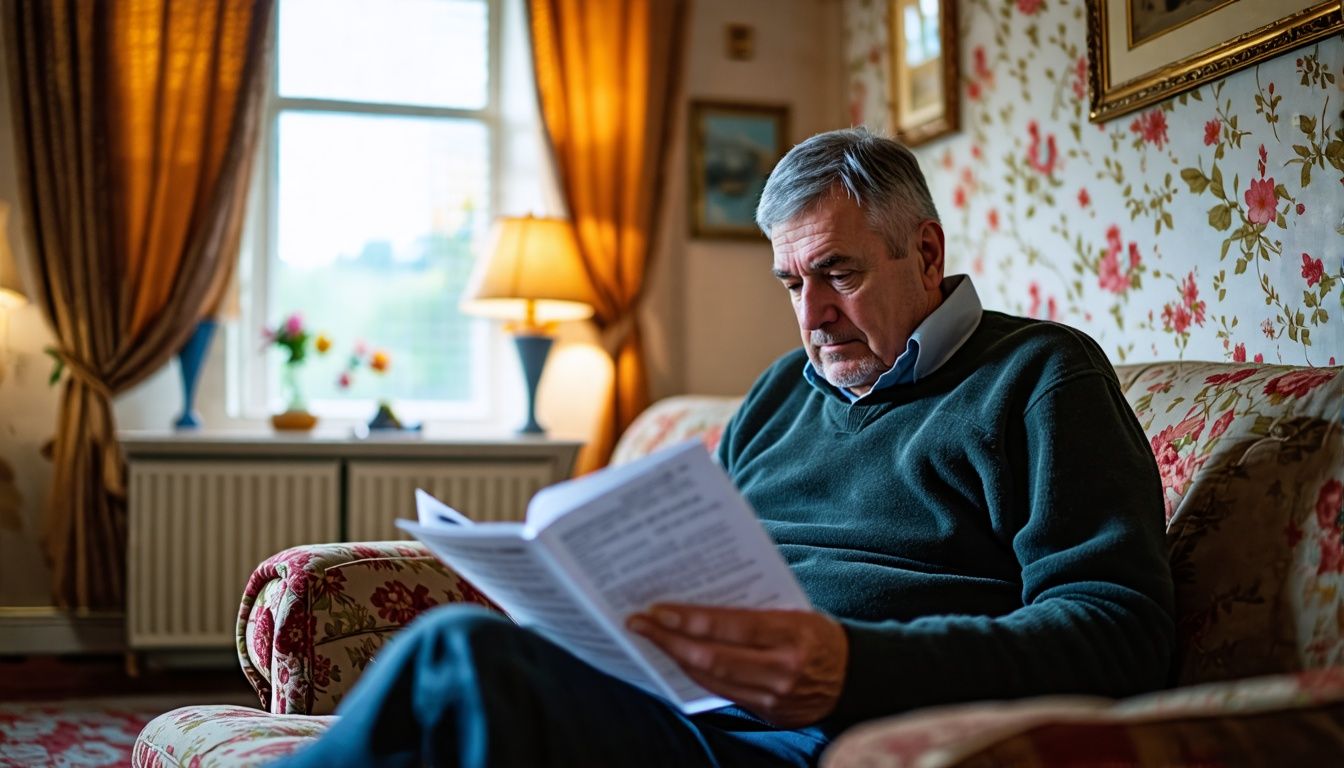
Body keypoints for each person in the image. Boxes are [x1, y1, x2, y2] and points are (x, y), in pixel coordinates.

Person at [274, 127, 1174, 768]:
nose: (813, 315)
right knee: (464, 684)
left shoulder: (1042, 379)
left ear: (926, 252)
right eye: (792, 281)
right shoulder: (784, 392)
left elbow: (1117, 633)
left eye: (840, 273)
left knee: (460, 658)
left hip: (820, 735)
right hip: (688, 709)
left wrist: (851, 666)